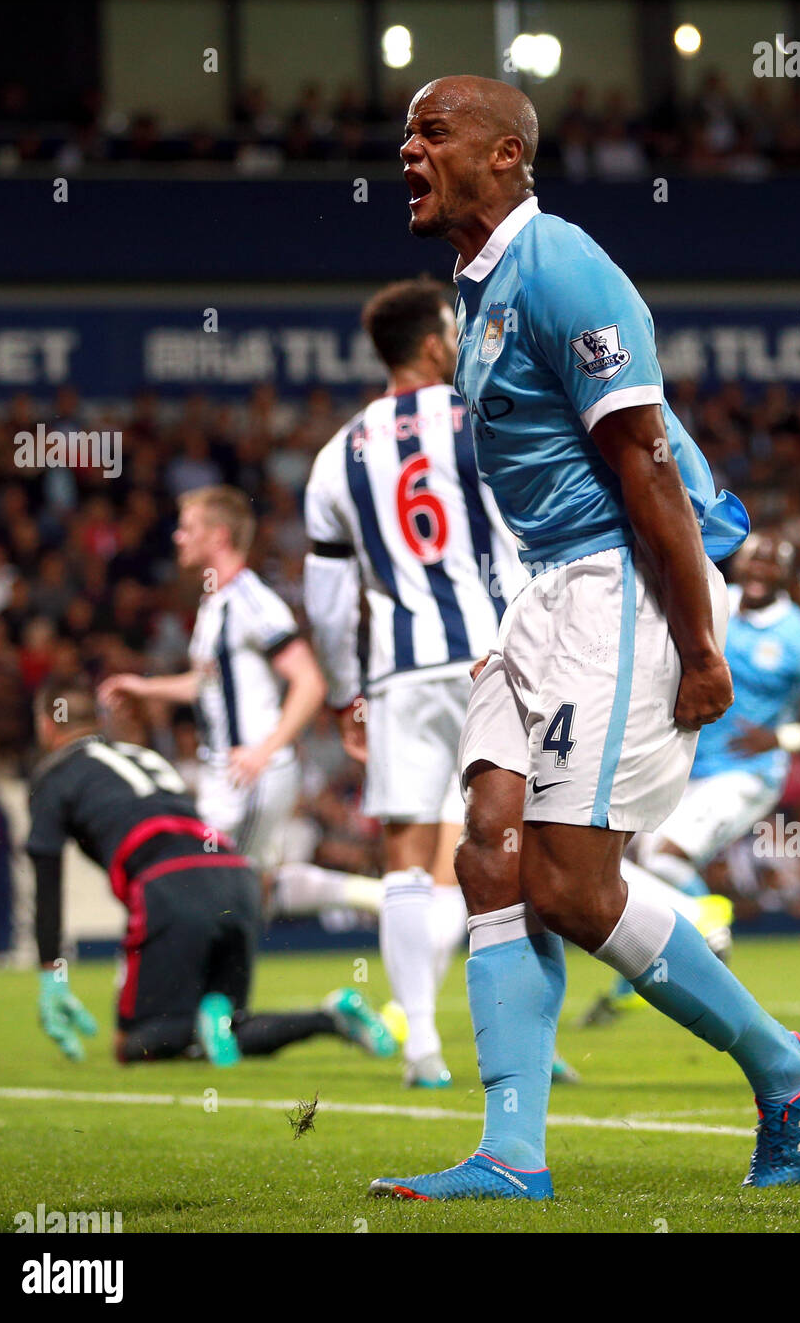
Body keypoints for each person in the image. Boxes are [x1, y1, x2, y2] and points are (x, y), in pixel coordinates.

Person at [369, 75, 800, 1200]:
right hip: (543, 593)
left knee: (573, 887)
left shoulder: (562, 267)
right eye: (403, 134)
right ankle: (510, 1154)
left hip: (617, 591)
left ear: (503, 156)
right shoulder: (480, 288)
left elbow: (646, 466)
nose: (407, 152)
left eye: (432, 133)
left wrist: (700, 642)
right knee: (485, 848)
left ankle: (786, 1068)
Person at [304, 278, 556, 1089]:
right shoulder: (480, 418)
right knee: (518, 845)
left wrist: (350, 691)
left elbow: (329, 598)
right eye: (453, 330)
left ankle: (420, 1048)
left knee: (408, 859)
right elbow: (530, 531)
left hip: (402, 670)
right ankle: (524, 1045)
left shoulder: (336, 453)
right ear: (431, 342)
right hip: (497, 658)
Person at [27, 674, 394, 1065]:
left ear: (47, 724)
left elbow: (47, 879)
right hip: (234, 874)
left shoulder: (54, 777)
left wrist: (53, 974)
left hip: (167, 885)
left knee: (134, 1045)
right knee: (230, 1026)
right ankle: (329, 1019)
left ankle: (193, 1034)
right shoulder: (142, 755)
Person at [582, 530, 800, 1023]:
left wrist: (782, 738)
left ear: (788, 577)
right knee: (630, 861)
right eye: (752, 561)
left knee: (663, 858)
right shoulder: (717, 602)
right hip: (688, 763)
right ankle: (641, 972)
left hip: (748, 773)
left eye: (771, 565)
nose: (758, 571)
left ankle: (710, 918)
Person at [99, 484, 381, 918]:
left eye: (187, 527)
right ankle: (380, 896)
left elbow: (309, 681)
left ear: (218, 537)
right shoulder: (216, 604)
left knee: (211, 888)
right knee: (253, 884)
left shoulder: (252, 601)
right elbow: (206, 683)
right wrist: (145, 687)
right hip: (228, 772)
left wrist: (264, 752)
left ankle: (206, 984)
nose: (177, 536)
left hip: (249, 772)